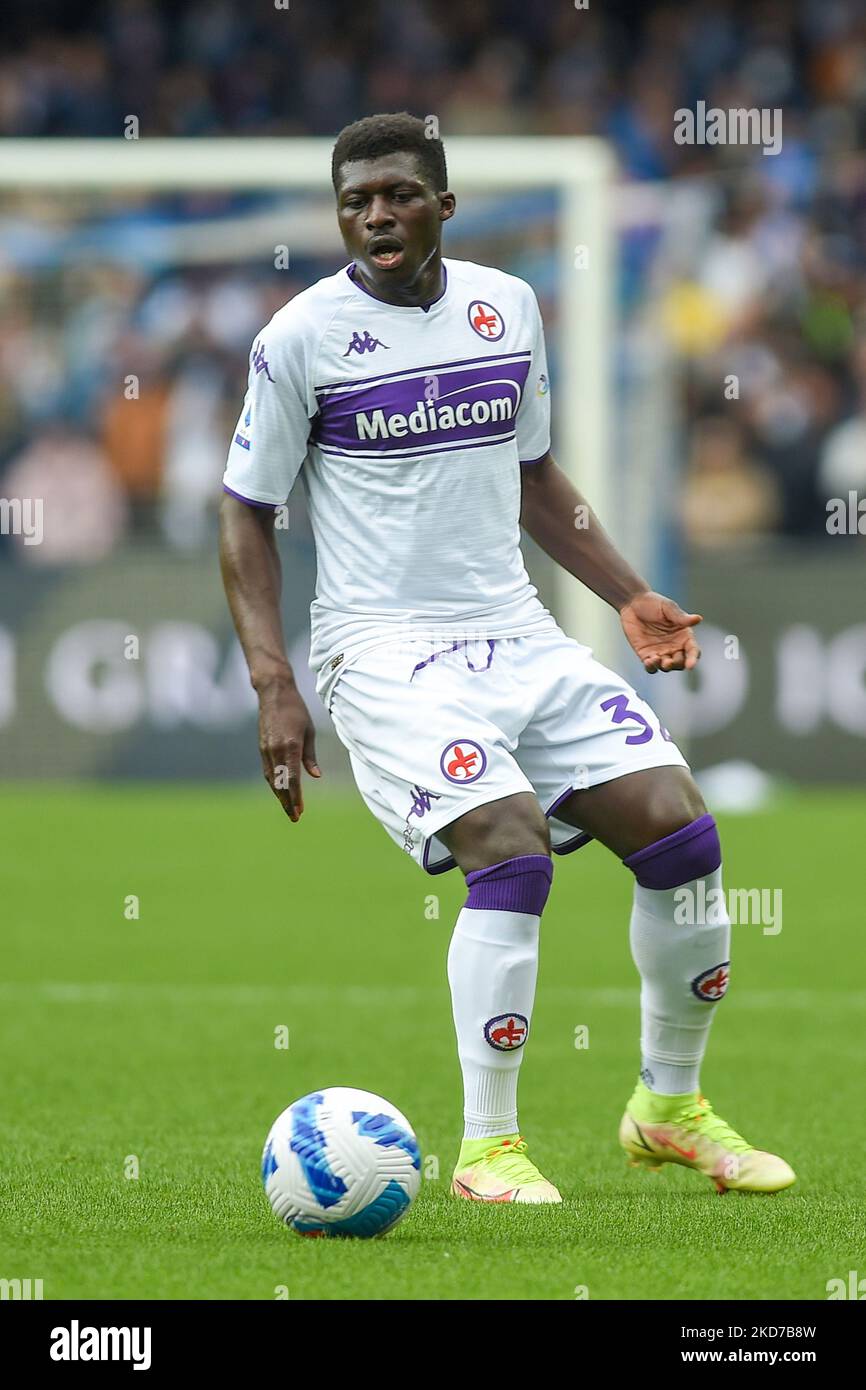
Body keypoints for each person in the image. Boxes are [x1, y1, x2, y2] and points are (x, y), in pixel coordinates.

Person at [219, 113, 794, 1202]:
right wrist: (273, 682)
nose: (375, 215)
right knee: (509, 843)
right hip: (379, 650)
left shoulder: (506, 309)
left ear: (443, 204)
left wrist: (627, 595)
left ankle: (666, 1107)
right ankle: (488, 1149)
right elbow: (245, 511)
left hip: (517, 633)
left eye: (395, 194)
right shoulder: (298, 337)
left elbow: (534, 476)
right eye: (354, 201)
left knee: (680, 830)